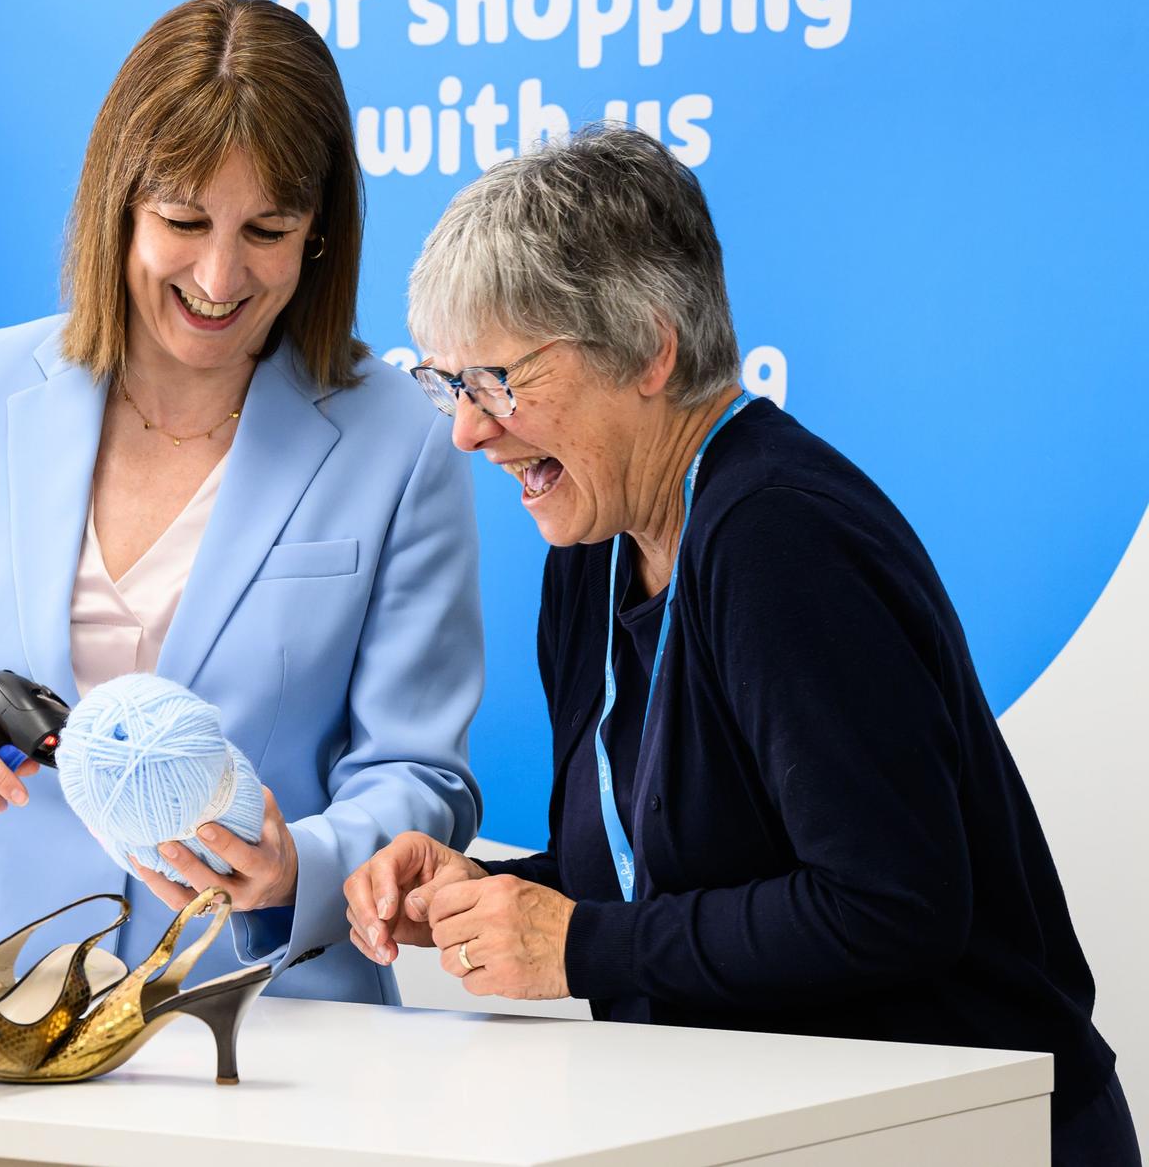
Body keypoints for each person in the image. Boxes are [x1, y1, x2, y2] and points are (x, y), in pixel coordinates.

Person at [342, 125, 1135, 1162]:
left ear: (647, 347)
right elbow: (665, 876)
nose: (467, 431)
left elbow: (889, 907)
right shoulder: (592, 543)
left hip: (958, 1136)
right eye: (447, 382)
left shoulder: (775, 535)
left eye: (496, 378)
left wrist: (572, 945)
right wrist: (483, 895)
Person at [0, 0, 483, 1003]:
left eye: (267, 229)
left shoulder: (402, 439)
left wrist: (307, 862)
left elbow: (422, 776)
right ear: (117, 203)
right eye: (183, 220)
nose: (218, 274)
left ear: (318, 237)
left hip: (260, 1015)